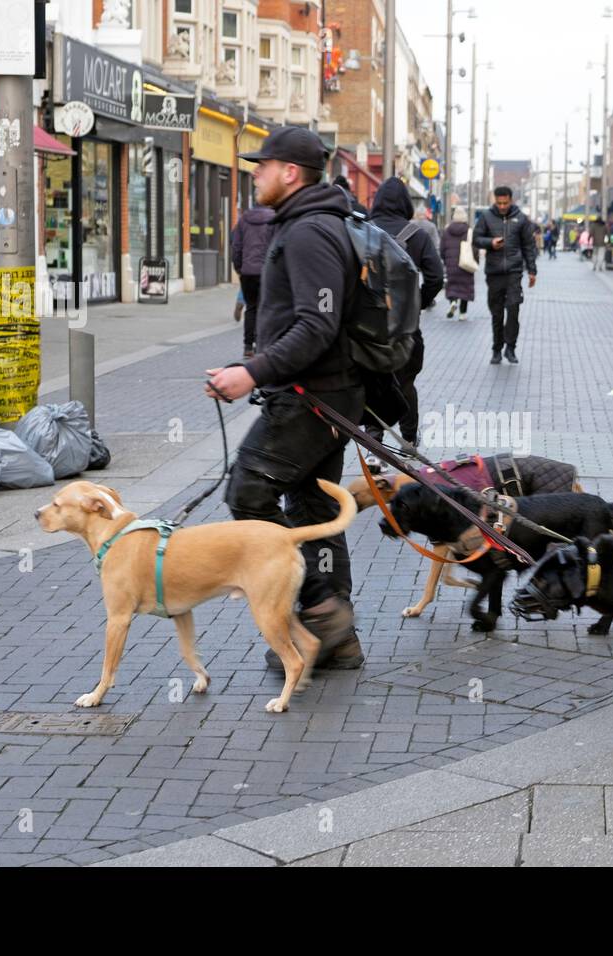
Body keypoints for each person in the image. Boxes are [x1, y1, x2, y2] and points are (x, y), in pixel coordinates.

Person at [206, 127, 364, 672]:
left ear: (290, 172)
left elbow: (317, 324)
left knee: (247, 494)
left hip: (309, 400)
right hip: (325, 396)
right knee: (314, 506)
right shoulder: (315, 223)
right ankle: (336, 635)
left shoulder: (308, 232)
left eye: (262, 165)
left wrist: (250, 372)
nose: (255, 173)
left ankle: (321, 611)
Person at [367, 177, 443, 447]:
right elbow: (436, 277)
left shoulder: (362, 230)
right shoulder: (418, 235)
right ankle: (409, 440)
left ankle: (374, 437)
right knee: (405, 382)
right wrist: (418, 303)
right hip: (406, 327)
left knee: (373, 380)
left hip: (368, 326)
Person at [472, 185, 537, 365]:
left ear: (511, 200)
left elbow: (529, 246)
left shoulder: (521, 218)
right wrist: (491, 243)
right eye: (499, 202)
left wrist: (532, 270)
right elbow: (476, 239)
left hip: (514, 271)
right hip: (494, 272)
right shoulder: (486, 217)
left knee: (513, 308)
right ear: (495, 200)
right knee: (497, 312)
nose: (502, 206)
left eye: (505, 203)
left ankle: (511, 347)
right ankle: (496, 349)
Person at [230, 202, 276, 358]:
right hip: (267, 271)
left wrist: (238, 267)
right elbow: (277, 246)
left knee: (251, 308)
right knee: (266, 308)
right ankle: (261, 344)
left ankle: (248, 347)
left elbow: (236, 246)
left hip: (248, 271)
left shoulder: (244, 219)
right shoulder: (274, 219)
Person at [440, 205, 476, 319]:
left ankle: (453, 302)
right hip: (465, 264)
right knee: (465, 287)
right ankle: (462, 313)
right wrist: (476, 261)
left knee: (452, 286)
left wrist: (445, 260)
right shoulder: (469, 230)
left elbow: (442, 248)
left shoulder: (447, 231)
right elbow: (475, 248)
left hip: (451, 264)